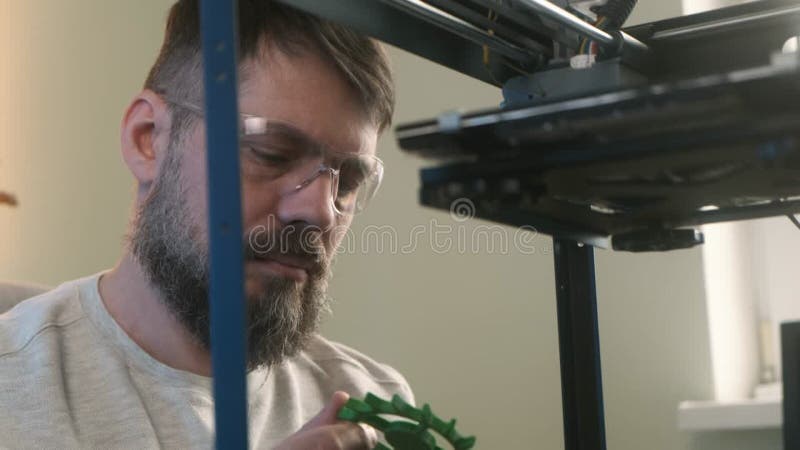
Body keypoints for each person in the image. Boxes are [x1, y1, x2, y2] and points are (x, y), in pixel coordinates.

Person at [0, 1, 412, 448]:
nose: (321, 212)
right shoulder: (13, 386)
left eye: (347, 183)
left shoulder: (374, 403)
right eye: (272, 154)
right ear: (147, 139)